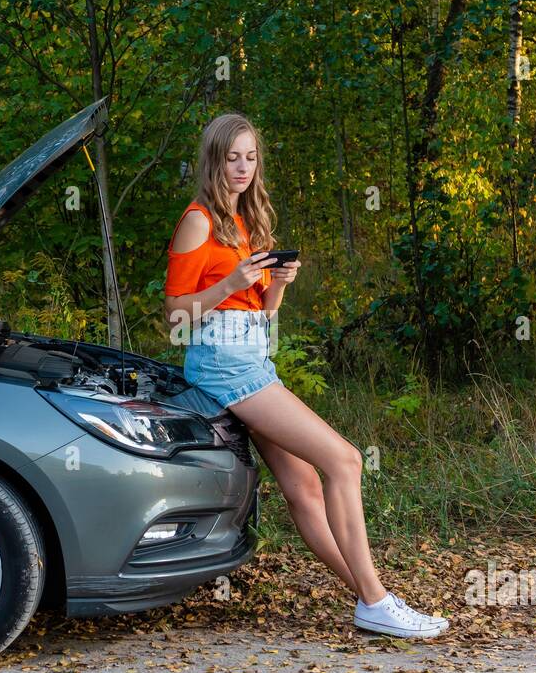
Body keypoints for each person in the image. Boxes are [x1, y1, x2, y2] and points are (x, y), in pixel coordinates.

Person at [163, 112, 448, 639]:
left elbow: (264, 314)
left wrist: (280, 283)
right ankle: (376, 601)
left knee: (305, 487)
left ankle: (372, 599)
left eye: (250, 157)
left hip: (251, 353)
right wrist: (232, 281)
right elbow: (175, 314)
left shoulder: (249, 220)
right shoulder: (198, 219)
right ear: (214, 159)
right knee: (345, 459)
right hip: (223, 362)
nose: (243, 167)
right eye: (233, 157)